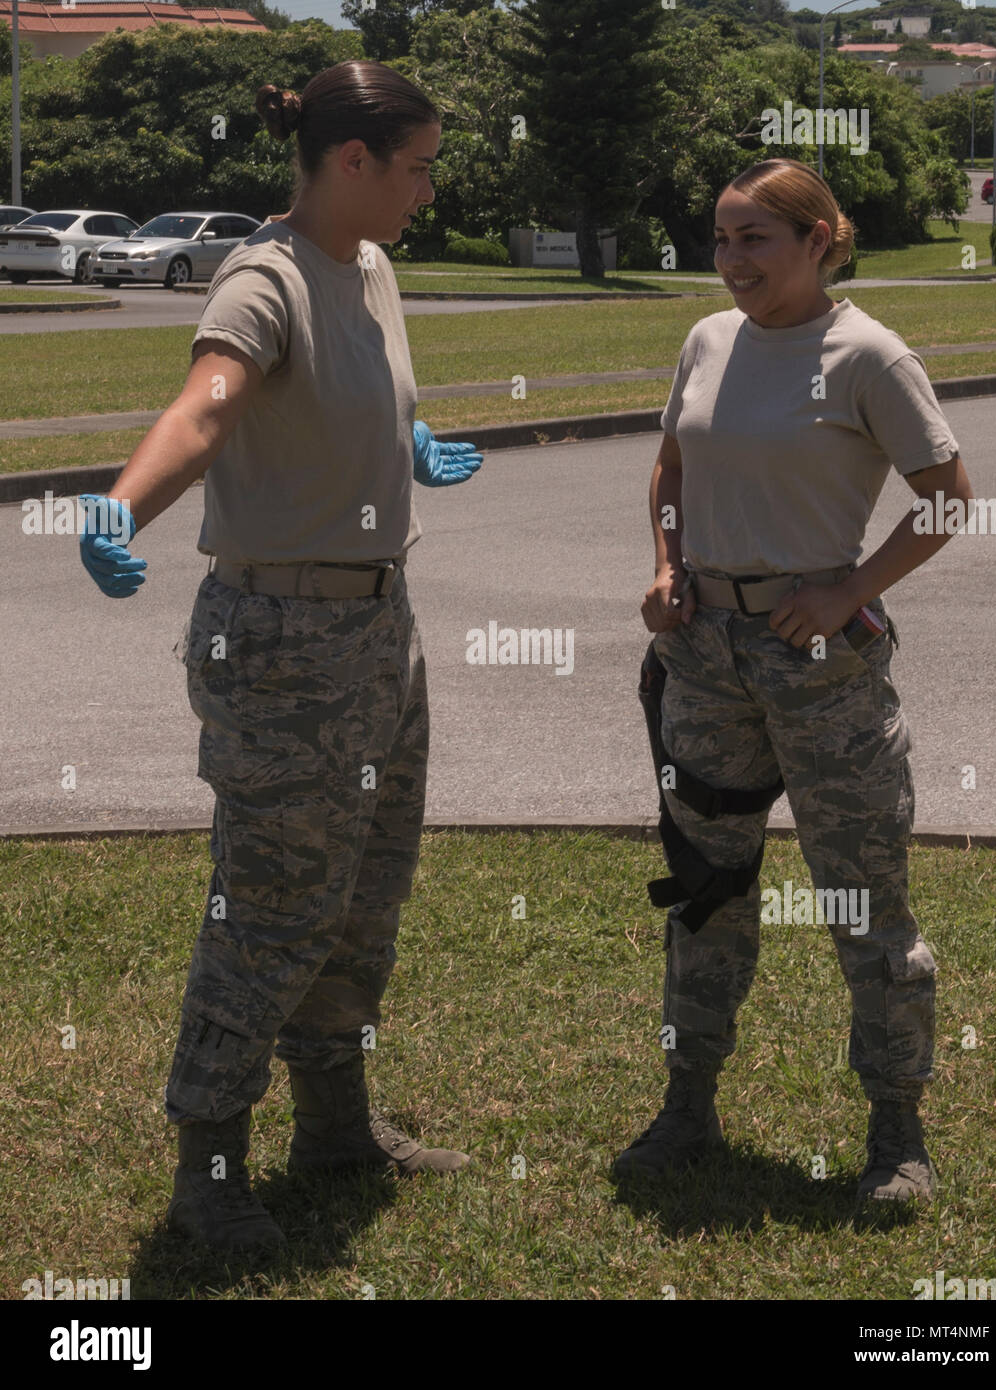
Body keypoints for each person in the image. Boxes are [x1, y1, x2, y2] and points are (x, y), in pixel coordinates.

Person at [78, 59, 482, 1250]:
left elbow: (358, 384)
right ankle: (207, 1170)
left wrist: (410, 437)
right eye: (415, 168)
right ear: (351, 161)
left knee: (363, 893)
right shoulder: (264, 276)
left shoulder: (370, 265)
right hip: (286, 641)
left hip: (377, 624)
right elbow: (208, 400)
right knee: (268, 907)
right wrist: (123, 504)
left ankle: (337, 1125)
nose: (426, 190)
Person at [613, 158, 974, 1202]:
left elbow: (948, 496)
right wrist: (668, 565)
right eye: (720, 240)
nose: (730, 262)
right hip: (705, 655)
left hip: (819, 660)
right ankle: (688, 1103)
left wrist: (848, 588)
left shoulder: (868, 355)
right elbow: (671, 465)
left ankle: (896, 1132)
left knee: (860, 894)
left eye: (753, 241)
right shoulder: (707, 339)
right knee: (703, 887)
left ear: (820, 240)